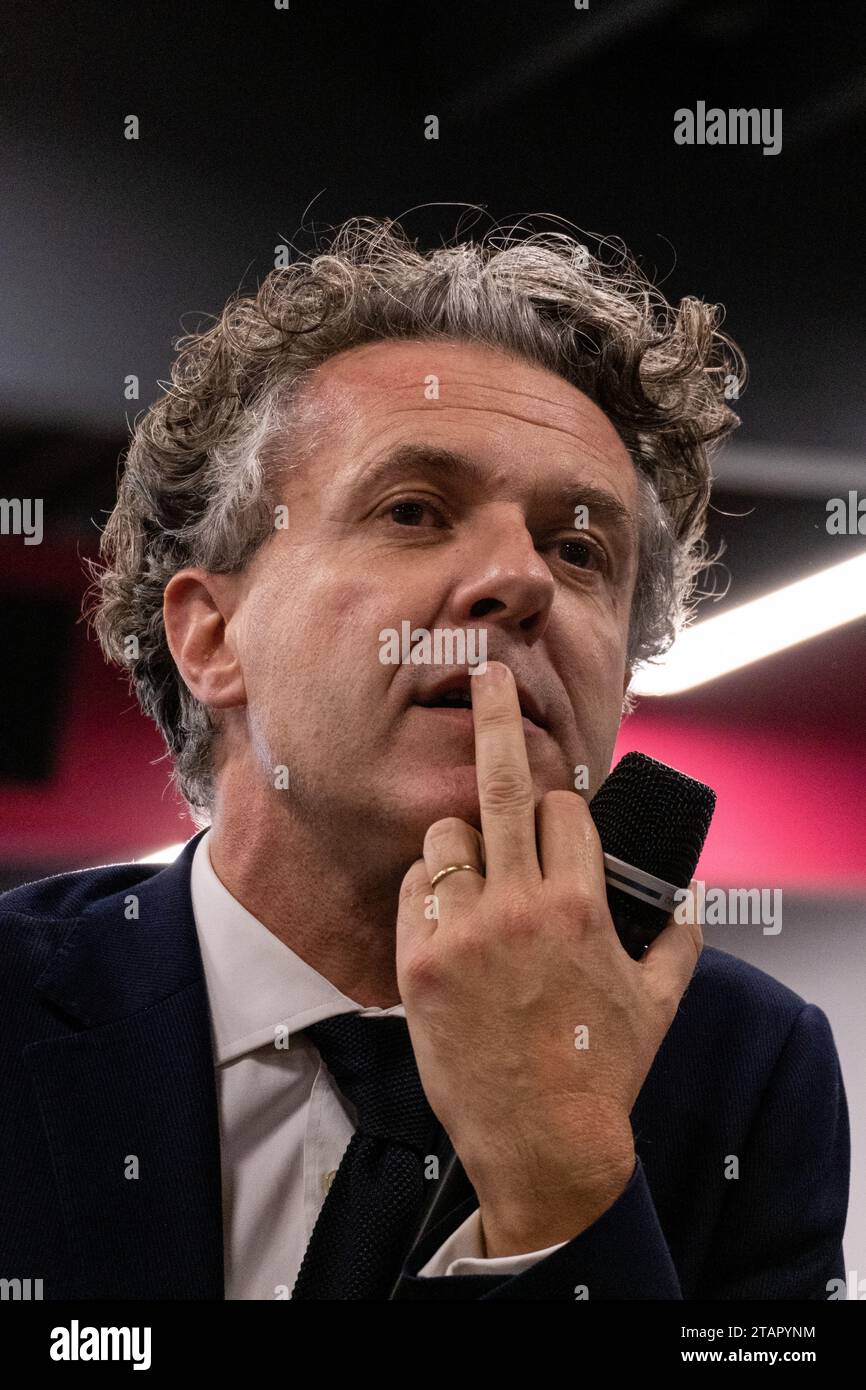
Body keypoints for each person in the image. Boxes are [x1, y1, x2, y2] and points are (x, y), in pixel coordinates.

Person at [0, 216, 848, 1299]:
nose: (520, 579)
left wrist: (560, 1168)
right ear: (211, 636)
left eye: (578, 548)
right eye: (413, 511)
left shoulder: (743, 1070)